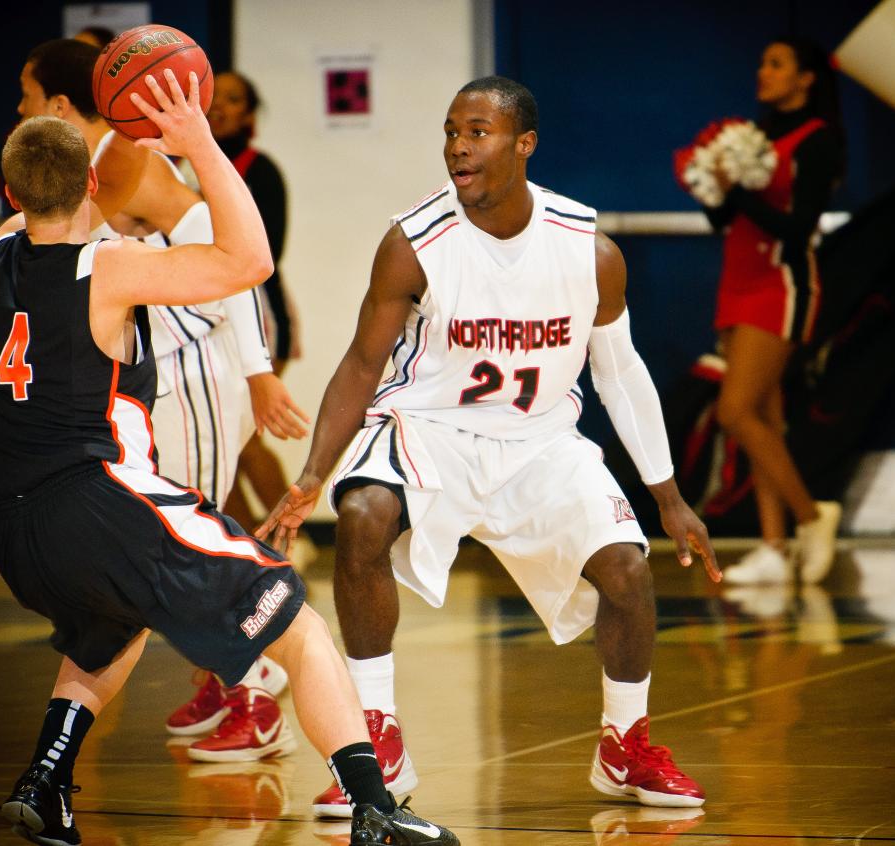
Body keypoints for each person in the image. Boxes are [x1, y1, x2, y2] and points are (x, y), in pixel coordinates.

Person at [0, 71, 457, 846]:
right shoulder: (107, 266)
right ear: (95, 180)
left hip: (17, 527)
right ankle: (376, 807)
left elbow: (39, 217)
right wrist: (197, 143)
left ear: (10, 192)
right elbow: (249, 259)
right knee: (298, 624)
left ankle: (46, 780)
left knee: (111, 626)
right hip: (101, 501)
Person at [257, 76, 720, 818]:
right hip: (429, 427)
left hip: (539, 439)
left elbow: (620, 374)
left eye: (477, 131)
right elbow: (360, 363)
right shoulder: (413, 242)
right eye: (450, 131)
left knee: (628, 571)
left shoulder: (588, 251)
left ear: (523, 143)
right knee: (363, 514)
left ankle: (623, 745)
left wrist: (667, 496)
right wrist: (315, 471)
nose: (457, 147)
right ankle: (376, 741)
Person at [14, 39, 309, 752]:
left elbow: (216, 236)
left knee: (182, 543)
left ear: (58, 103)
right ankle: (226, 675)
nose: (16, 108)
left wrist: (257, 366)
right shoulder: (75, 163)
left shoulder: (127, 156)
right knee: (167, 544)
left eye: (24, 94)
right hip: (154, 376)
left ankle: (257, 693)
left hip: (195, 365)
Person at [698, 37, 846, 587]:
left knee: (735, 412)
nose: (764, 71)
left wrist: (738, 194)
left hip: (780, 283)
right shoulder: (754, 137)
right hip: (737, 280)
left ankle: (812, 515)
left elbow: (798, 227)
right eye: (761, 62)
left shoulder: (819, 139)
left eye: (777, 64)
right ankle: (774, 547)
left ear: (807, 78)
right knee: (765, 419)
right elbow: (726, 222)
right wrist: (715, 191)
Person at [205, 71, 308, 548]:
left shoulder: (259, 169)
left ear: (248, 114)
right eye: (214, 97)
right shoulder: (183, 167)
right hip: (202, 321)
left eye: (233, 99)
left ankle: (291, 539)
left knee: (242, 437)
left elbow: (267, 256)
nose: (220, 106)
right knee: (224, 441)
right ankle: (251, 545)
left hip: (260, 315)